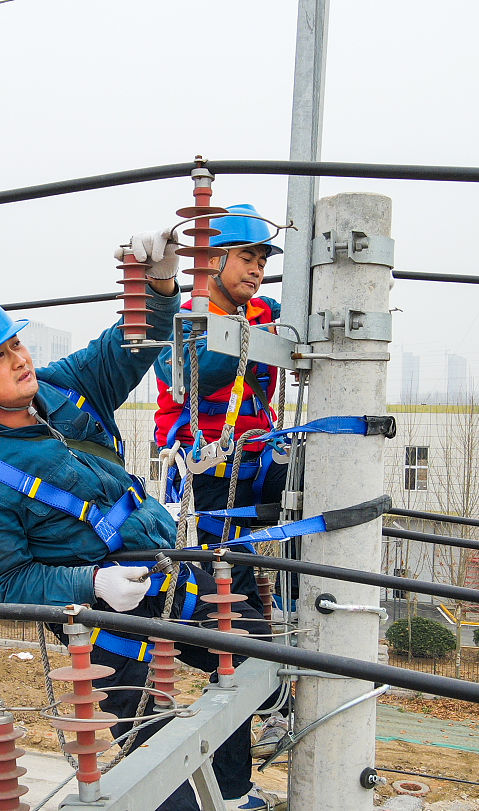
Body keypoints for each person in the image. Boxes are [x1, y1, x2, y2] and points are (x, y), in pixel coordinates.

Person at [0, 232, 281, 811]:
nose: (18, 361)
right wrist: (91, 586)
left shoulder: (66, 388)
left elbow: (129, 346)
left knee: (255, 659)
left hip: (167, 576)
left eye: (15, 345)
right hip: (107, 629)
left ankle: (238, 796)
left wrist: (159, 286)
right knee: (164, 774)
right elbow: (5, 584)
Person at [152, 204, 288, 616]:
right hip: (209, 466)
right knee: (232, 580)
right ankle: (245, 653)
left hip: (260, 455)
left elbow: (295, 310)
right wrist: (244, 337)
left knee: (322, 499)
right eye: (246, 258)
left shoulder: (260, 312)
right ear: (212, 261)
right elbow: (189, 373)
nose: (256, 270)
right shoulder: (185, 320)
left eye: (261, 262)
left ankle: (306, 608)